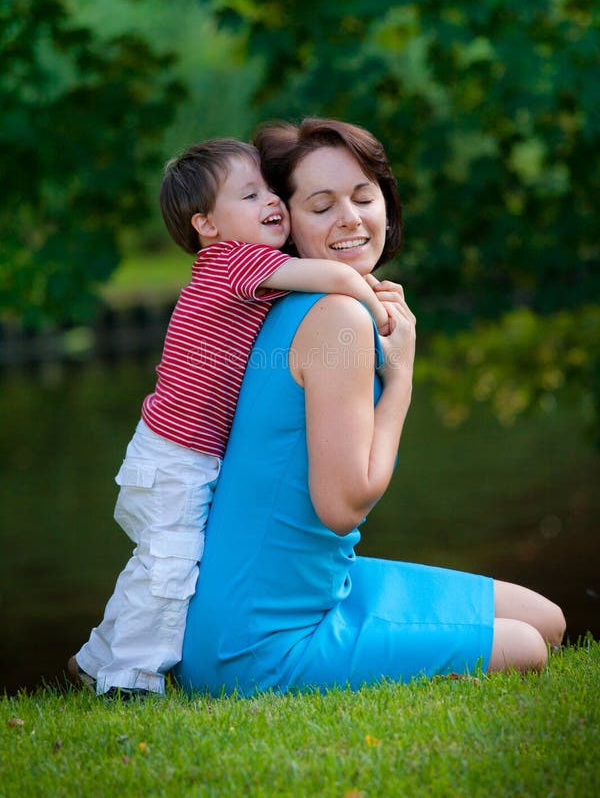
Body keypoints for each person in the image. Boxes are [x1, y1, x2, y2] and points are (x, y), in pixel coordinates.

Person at [176, 118, 566, 697]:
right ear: (284, 219)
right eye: (321, 205)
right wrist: (401, 378)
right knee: (527, 649)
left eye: (363, 196)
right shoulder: (335, 315)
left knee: (549, 621)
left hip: (319, 586)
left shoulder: (292, 302)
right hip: (261, 642)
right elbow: (343, 507)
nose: (351, 219)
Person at [69, 137, 393, 698]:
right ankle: (128, 682)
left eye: (269, 190)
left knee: (155, 562)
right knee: (168, 565)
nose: (270, 202)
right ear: (207, 225)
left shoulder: (241, 267)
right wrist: (378, 309)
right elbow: (337, 278)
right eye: (249, 195)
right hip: (176, 454)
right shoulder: (236, 262)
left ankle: (94, 660)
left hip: (170, 449)